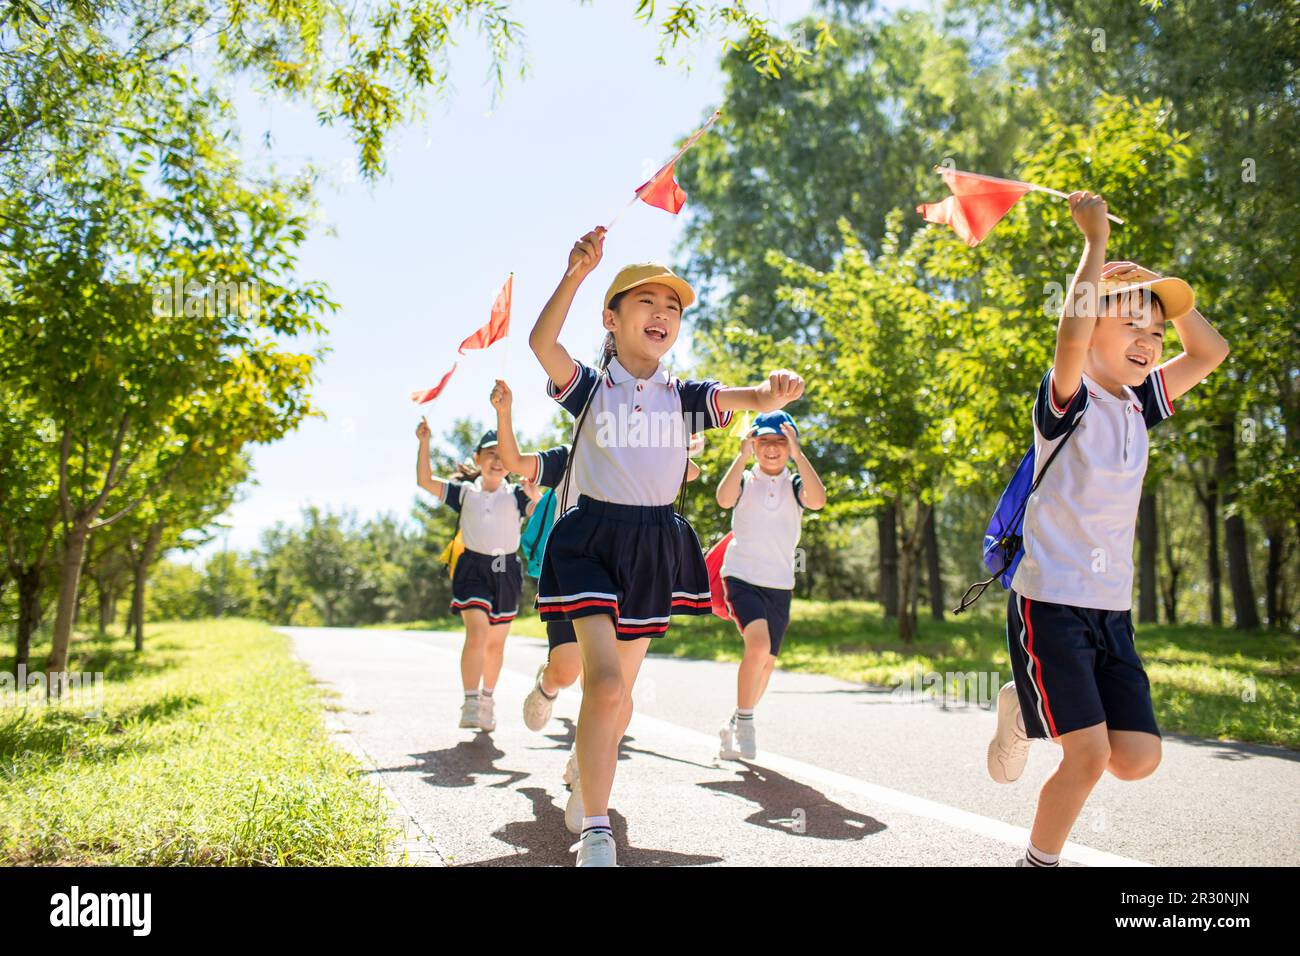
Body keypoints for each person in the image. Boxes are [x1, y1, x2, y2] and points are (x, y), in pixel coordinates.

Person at [529, 225, 806, 866]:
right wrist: (575, 272)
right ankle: (598, 830)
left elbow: (753, 397)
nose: (662, 315)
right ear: (613, 317)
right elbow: (542, 343)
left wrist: (776, 390)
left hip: (654, 545)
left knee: (619, 693)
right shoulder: (591, 388)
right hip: (592, 539)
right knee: (601, 684)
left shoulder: (685, 398)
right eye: (646, 303)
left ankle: (583, 769)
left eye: (673, 308)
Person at [985, 190, 1230, 867]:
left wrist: (1155, 288)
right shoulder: (1070, 400)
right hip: (1051, 602)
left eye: (1155, 333)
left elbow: (1210, 350)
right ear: (1095, 330)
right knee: (1088, 757)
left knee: (1138, 758)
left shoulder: (1137, 406)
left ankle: (1021, 701)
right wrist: (1094, 248)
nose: (1149, 341)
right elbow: (1069, 334)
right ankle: (1038, 861)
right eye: (1133, 327)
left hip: (1111, 612)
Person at [415, 418, 541, 732]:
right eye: (490, 454)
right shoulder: (463, 494)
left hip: (506, 569)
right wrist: (424, 442)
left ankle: (487, 699)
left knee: (495, 645)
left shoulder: (518, 495)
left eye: (504, 455)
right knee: (478, 633)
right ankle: (470, 700)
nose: (498, 461)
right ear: (477, 458)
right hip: (472, 568)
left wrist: (535, 495)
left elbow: (542, 517)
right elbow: (425, 481)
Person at [714, 410, 825, 760]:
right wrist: (742, 455)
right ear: (754, 443)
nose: (772, 449)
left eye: (780, 441)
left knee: (767, 663)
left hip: (779, 584)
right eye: (764, 441)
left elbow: (819, 499)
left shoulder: (795, 484)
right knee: (758, 646)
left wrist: (799, 452)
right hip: (742, 576)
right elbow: (723, 498)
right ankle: (746, 722)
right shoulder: (746, 479)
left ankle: (735, 719)